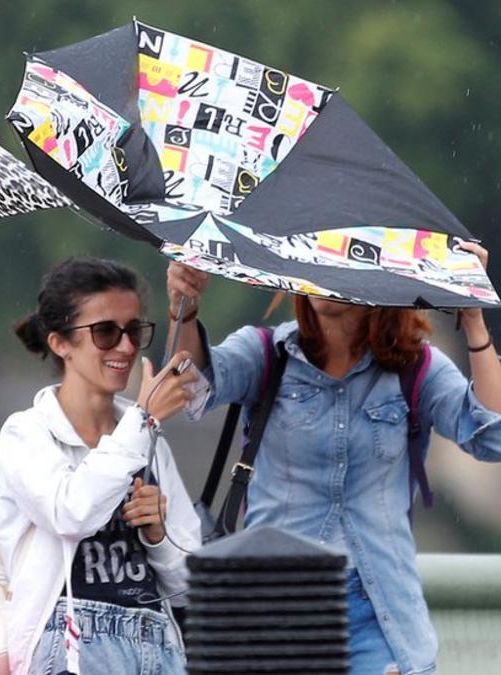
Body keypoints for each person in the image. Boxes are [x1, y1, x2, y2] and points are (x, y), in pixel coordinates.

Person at [166, 251, 501, 675]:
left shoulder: (416, 368)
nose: (323, 277)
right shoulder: (268, 353)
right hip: (277, 608)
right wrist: (185, 306)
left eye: (340, 264)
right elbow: (188, 388)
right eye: (315, 261)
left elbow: (492, 436)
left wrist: (473, 316)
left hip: (381, 615)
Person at [0, 256, 201, 675]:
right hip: (71, 646)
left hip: (156, 645)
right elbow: (70, 512)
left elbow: (190, 588)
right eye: (106, 332)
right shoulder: (27, 433)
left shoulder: (149, 441)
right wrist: (143, 419)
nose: (125, 347)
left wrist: (159, 536)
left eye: (134, 330)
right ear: (60, 342)